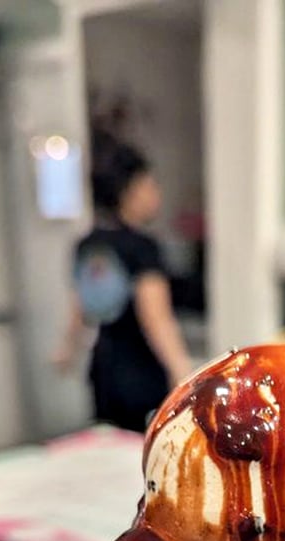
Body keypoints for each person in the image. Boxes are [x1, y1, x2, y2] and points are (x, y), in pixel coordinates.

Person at [53, 137, 191, 432]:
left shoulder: (87, 245)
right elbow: (156, 317)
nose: (156, 194)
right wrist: (181, 369)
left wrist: (67, 350)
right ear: (129, 190)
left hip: (103, 369)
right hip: (141, 372)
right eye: (150, 185)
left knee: (109, 449)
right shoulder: (141, 247)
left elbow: (81, 305)